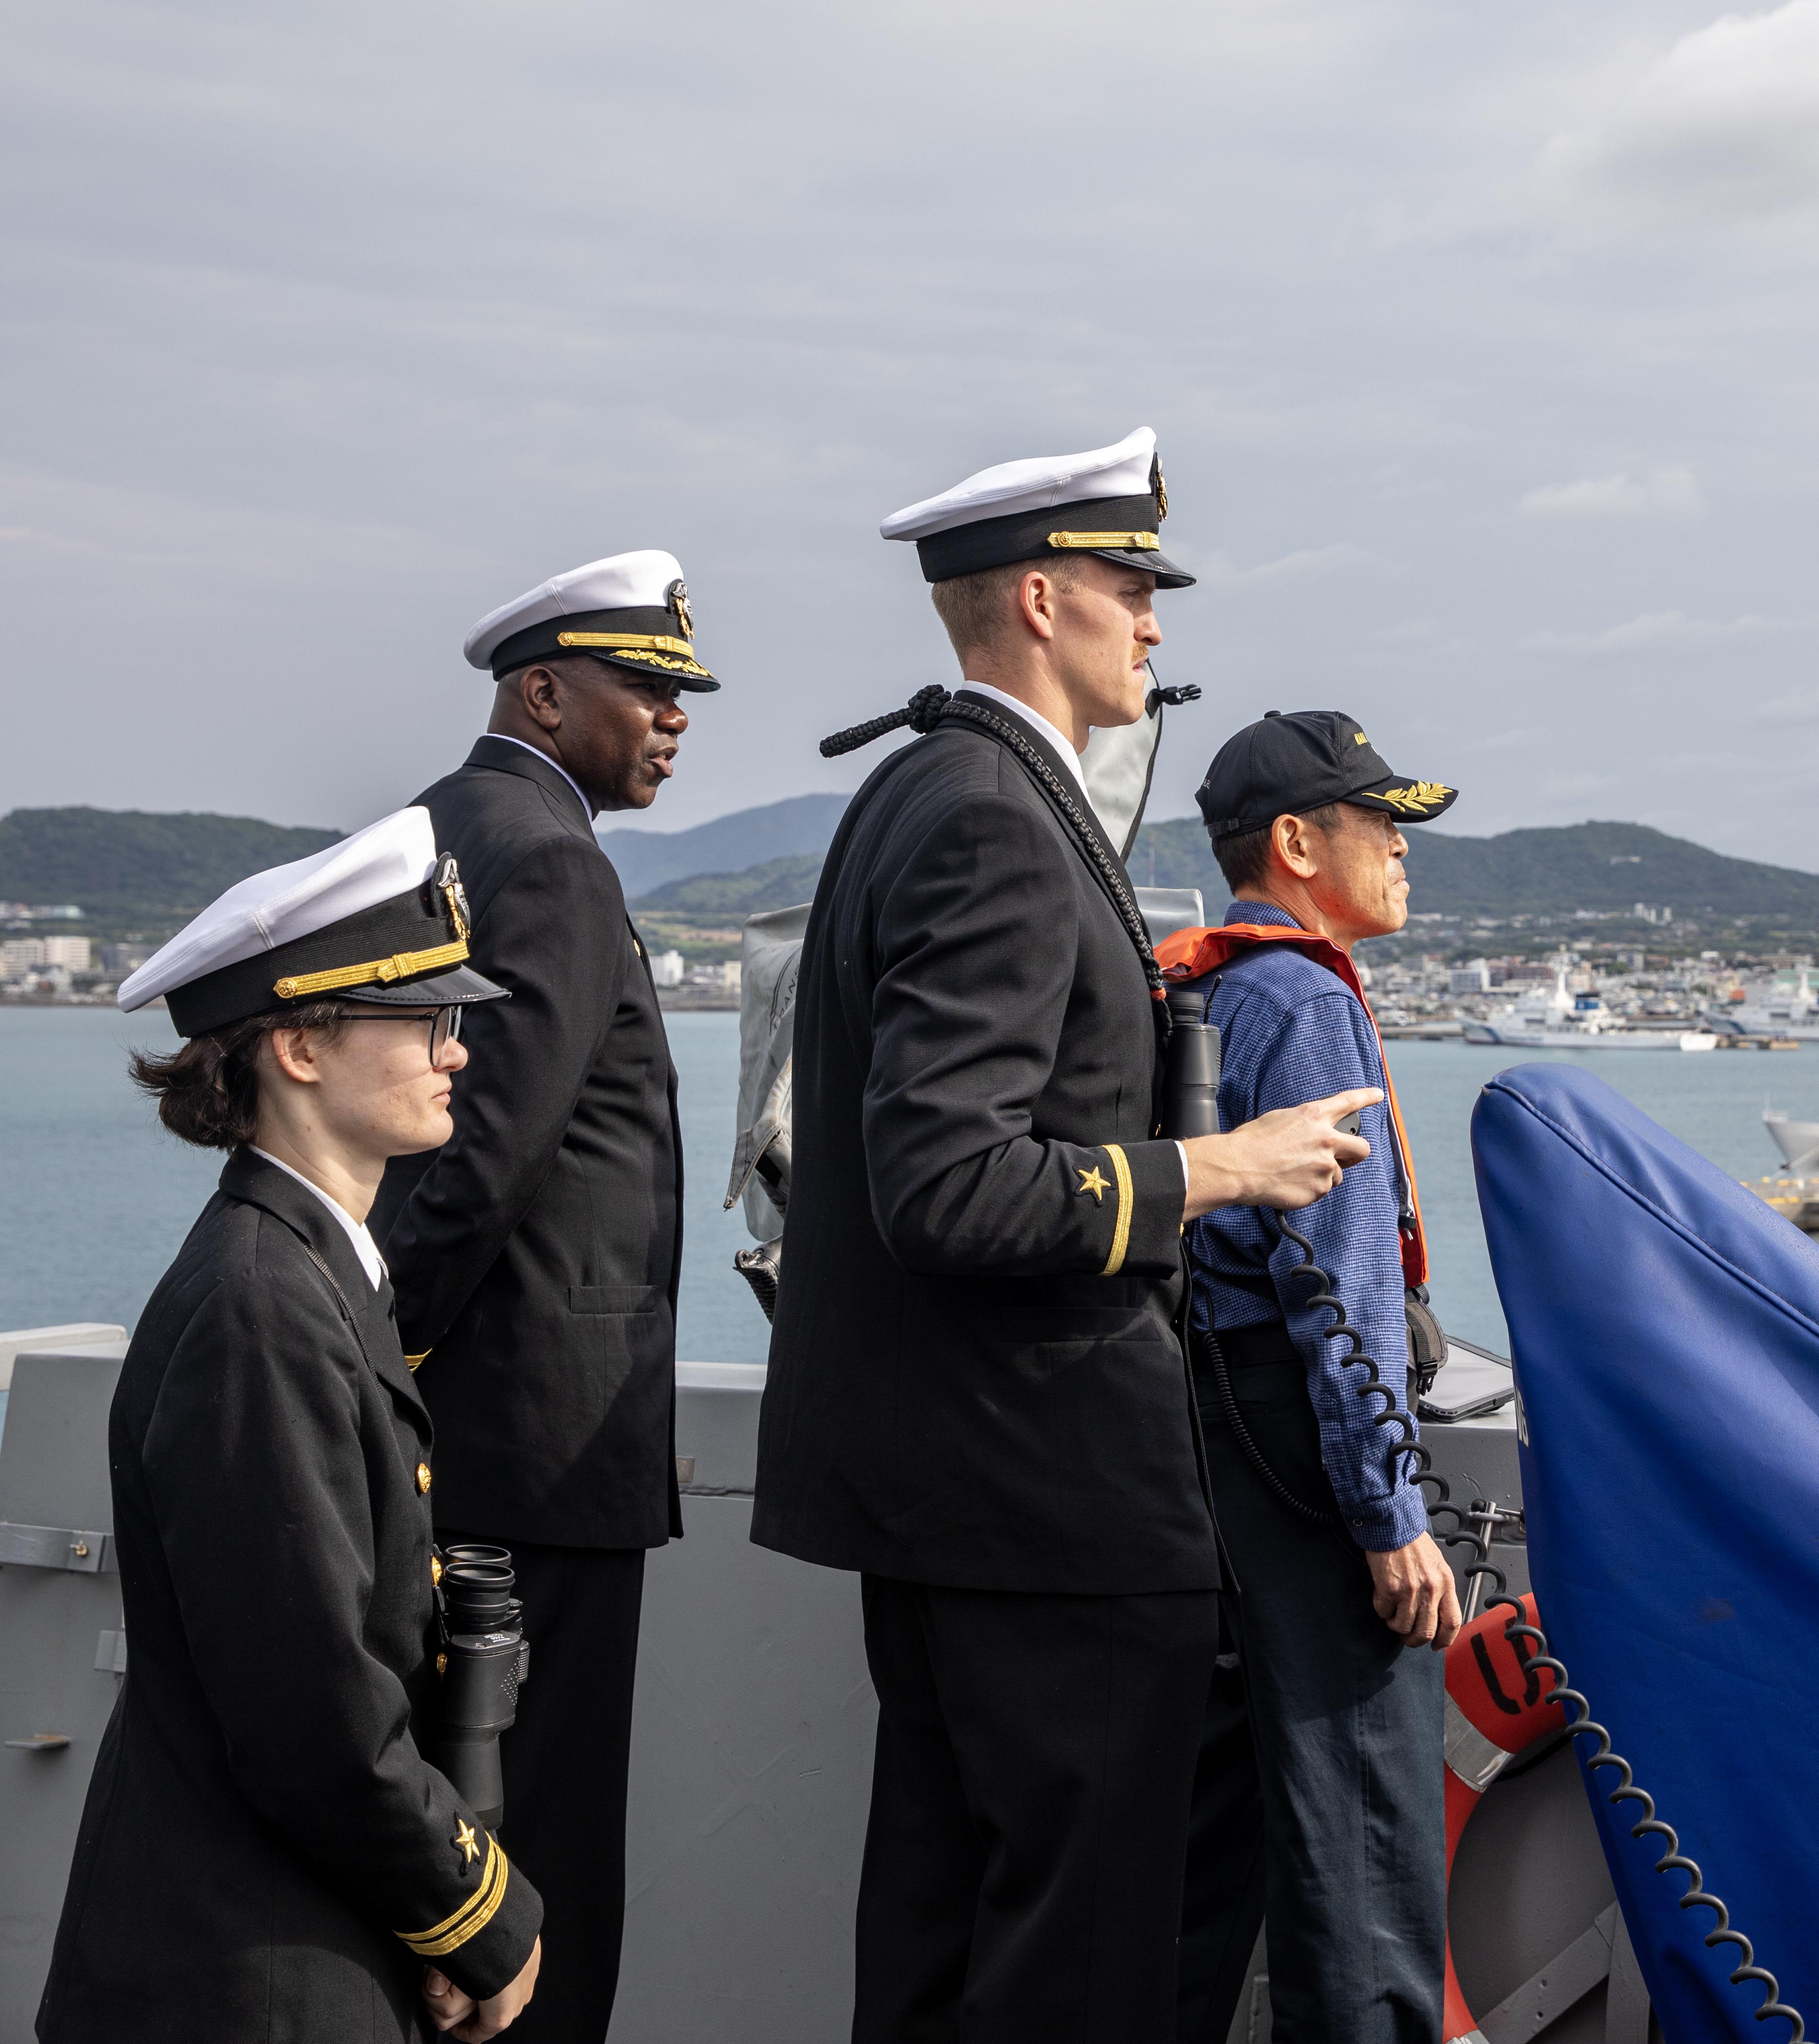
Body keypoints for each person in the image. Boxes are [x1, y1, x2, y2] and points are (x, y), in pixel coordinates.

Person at [752, 428, 1383, 2041]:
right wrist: (1214, 1170)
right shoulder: (997, 821)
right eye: (1129, 586)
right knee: (1077, 1962)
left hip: (951, 1499)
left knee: (941, 1937)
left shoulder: (920, 788)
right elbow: (946, 1182)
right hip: (1048, 1508)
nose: (1156, 621)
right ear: (1041, 599)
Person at [43, 809, 543, 2042]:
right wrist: (483, 1923)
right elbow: (311, 1713)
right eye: (427, 1020)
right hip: (239, 1972)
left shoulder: (316, 1271)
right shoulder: (260, 1308)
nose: (457, 1054)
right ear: (302, 1046)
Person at [372, 549, 712, 2042]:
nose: (676, 716)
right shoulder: (553, 855)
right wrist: (395, 1353)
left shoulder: (436, 829)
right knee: (543, 1852)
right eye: (648, 686)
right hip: (536, 1457)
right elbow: (479, 1153)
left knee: (443, 1829)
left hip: (465, 1439)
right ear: (544, 688)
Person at [1160, 712, 1464, 2044]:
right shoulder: (1309, 1000)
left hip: (1209, 1445)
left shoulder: (1206, 986)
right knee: (1365, 1831)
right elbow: (1337, 1290)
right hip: (1302, 1449)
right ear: (1296, 843)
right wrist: (1390, 1516)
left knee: (1216, 1840)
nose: (1403, 848)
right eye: (1378, 821)